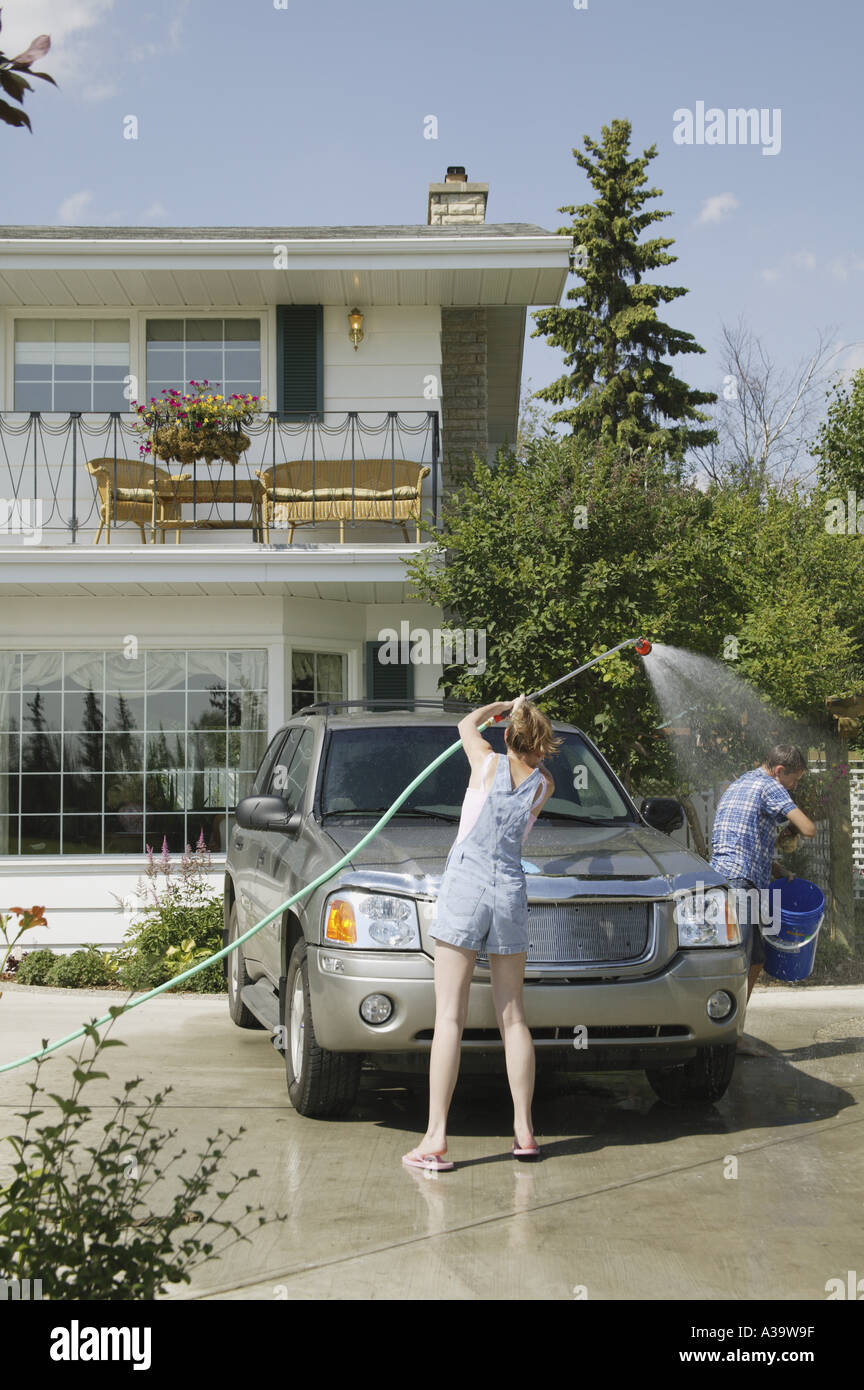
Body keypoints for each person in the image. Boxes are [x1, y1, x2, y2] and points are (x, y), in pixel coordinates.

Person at [402, 695, 558, 1171]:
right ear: (537, 744)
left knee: (450, 1016)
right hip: (509, 889)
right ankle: (525, 1133)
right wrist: (520, 716)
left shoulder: (485, 762)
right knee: (514, 1017)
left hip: (467, 886)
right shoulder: (543, 785)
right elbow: (531, 759)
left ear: (506, 735)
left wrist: (499, 706)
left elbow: (465, 725)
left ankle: (435, 1139)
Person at [709, 744, 817, 1057]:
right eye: (794, 780)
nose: (794, 786)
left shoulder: (741, 782)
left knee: (754, 959)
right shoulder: (771, 785)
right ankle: (723, 1037)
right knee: (739, 962)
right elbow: (808, 828)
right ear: (780, 771)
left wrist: (777, 867)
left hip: (725, 879)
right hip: (741, 884)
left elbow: (740, 841)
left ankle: (734, 1033)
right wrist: (795, 828)